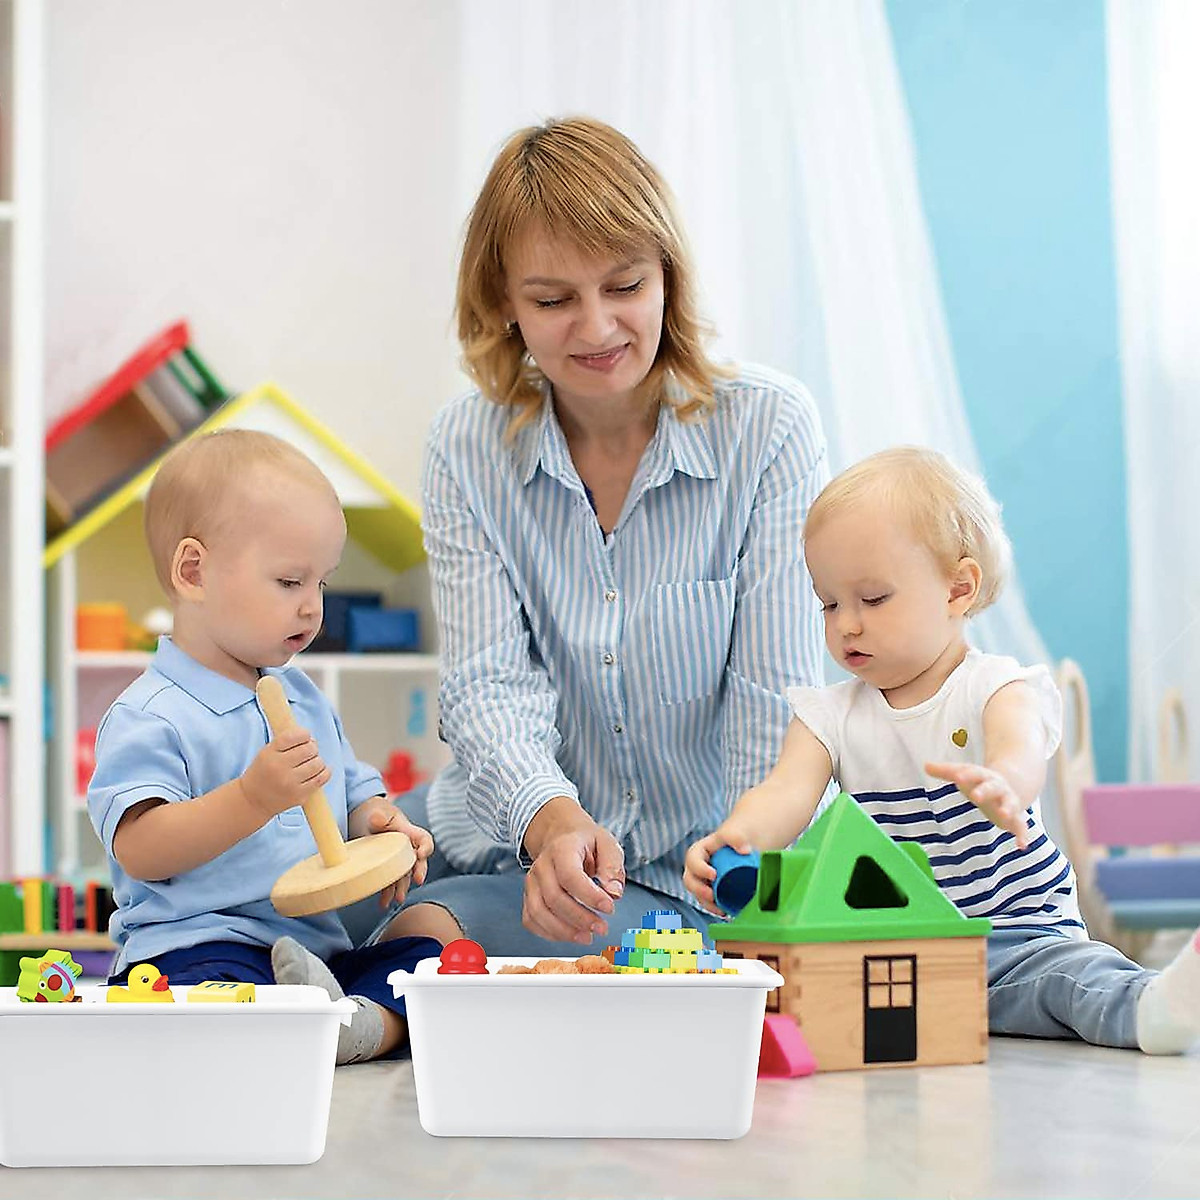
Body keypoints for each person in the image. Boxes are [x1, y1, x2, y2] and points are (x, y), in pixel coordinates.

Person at [373, 116, 829, 958]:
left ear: (669, 279)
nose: (596, 328)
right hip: (503, 842)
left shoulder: (769, 428)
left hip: (694, 879)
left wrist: (745, 889)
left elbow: (777, 705)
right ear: (504, 306)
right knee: (300, 902)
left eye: (624, 286)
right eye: (552, 300)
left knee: (434, 934)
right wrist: (551, 820)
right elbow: (486, 684)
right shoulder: (464, 448)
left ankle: (385, 984)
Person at [684, 446, 1200, 1053]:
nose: (846, 624)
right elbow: (786, 791)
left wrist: (1005, 781)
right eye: (828, 603)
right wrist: (740, 838)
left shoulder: (993, 685)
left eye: (872, 599)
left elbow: (1021, 744)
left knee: (1067, 980)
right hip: (898, 943)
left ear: (958, 589)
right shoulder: (829, 714)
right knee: (798, 985)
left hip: (1014, 933)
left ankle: (1150, 1010)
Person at [86, 429, 438, 1064]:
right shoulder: (151, 715)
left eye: (322, 585)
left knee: (425, 959)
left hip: (317, 947)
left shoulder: (300, 695)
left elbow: (351, 787)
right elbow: (140, 849)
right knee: (210, 998)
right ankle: (307, 1021)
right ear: (194, 573)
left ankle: (352, 1026)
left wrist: (379, 820)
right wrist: (252, 797)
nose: (312, 610)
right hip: (198, 944)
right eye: (288, 582)